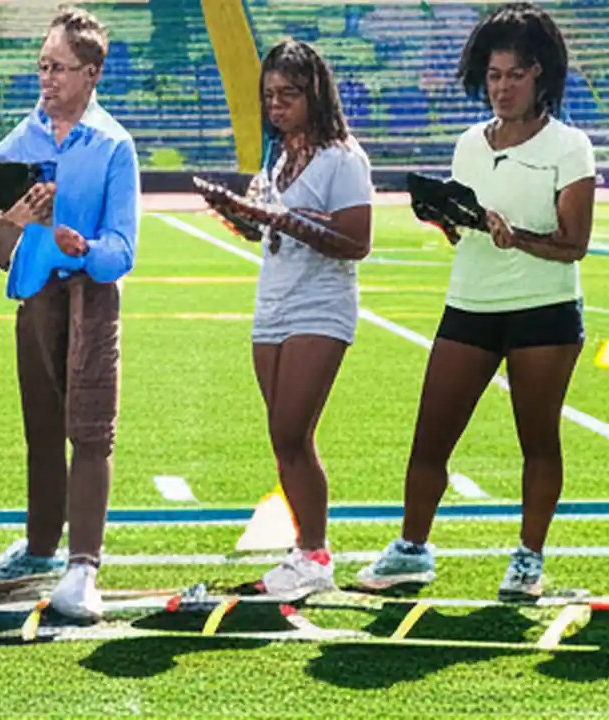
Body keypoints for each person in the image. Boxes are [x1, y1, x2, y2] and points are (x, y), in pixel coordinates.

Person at [357, 2, 595, 601]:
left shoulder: (570, 147)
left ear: (540, 75)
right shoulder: (468, 143)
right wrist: (449, 218)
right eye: (493, 75)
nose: (502, 87)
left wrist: (518, 235)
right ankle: (411, 550)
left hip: (544, 310)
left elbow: (574, 245)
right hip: (470, 304)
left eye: (515, 75)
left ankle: (528, 558)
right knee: (429, 436)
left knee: (537, 439)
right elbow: (467, 225)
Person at [0, 6, 139, 621]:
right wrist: (13, 221)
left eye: (60, 68)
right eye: (42, 66)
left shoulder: (114, 145)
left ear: (92, 73)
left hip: (91, 300)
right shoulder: (21, 141)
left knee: (90, 432)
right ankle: (41, 548)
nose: (47, 79)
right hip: (35, 297)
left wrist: (85, 248)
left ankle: (83, 568)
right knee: (41, 430)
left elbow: (124, 246)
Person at [202, 40, 373, 600]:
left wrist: (279, 215)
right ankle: (305, 552)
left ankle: (314, 553)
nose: (277, 106)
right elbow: (265, 230)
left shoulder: (342, 159)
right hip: (273, 303)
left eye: (289, 95)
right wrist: (240, 216)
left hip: (320, 306)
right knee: (286, 442)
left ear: (315, 95)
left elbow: (355, 241)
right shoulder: (278, 158)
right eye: (270, 95)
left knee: (291, 430)